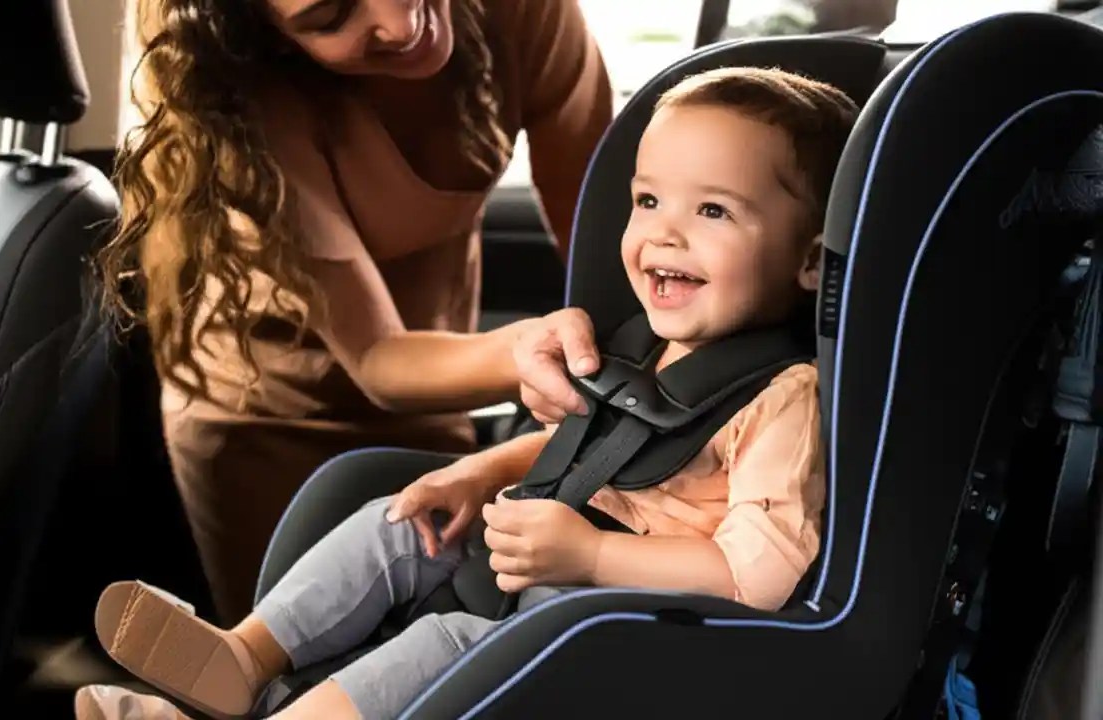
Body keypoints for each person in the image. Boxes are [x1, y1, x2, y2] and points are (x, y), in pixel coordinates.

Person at [78, 65, 858, 720]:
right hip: (550, 551)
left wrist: (591, 555)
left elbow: (756, 576)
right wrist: (480, 475)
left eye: (713, 210)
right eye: (648, 201)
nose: (664, 233)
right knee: (397, 525)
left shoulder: (783, 398)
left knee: (445, 644)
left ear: (811, 262)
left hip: (616, 622)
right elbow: (587, 446)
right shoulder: (647, 345)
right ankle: (240, 659)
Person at [98, 0, 614, 624]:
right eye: (328, 18)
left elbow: (601, 237)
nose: (399, 25)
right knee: (291, 667)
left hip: (438, 390)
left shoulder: (526, 16)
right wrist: (541, 350)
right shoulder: (243, 102)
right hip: (270, 416)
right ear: (273, 37)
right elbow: (377, 356)